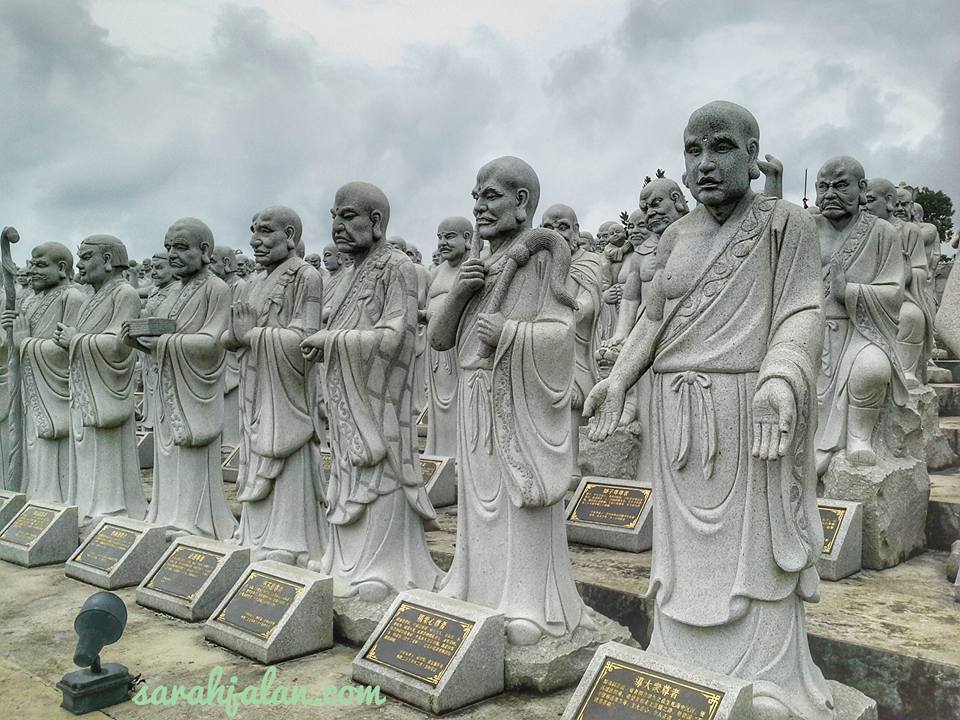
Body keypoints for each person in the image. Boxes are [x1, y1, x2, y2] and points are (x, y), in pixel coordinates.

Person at [585, 102, 833, 719]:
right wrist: (618, 381)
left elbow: (802, 309)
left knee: (754, 552)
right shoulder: (676, 235)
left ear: (753, 154)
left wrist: (779, 379)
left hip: (748, 408)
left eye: (721, 147)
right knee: (681, 557)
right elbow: (653, 318)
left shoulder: (785, 224)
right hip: (676, 415)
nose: (704, 163)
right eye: (693, 150)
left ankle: (768, 678)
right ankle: (680, 662)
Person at [429, 157, 593, 646]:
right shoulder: (476, 266)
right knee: (479, 498)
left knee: (517, 500)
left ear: (522, 203)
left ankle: (527, 601)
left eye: (491, 195)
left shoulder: (542, 257)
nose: (479, 205)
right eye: (475, 195)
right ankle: (474, 583)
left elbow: (564, 332)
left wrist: (511, 333)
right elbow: (439, 339)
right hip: (474, 395)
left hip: (518, 397)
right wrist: (461, 291)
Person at [301, 182, 440, 601]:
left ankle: (384, 566)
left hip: (380, 401)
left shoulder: (397, 266)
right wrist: (327, 340)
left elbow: (397, 333)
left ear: (375, 222)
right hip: (347, 398)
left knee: (379, 477)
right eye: (334, 217)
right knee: (347, 476)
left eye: (347, 216)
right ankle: (344, 561)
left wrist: (333, 340)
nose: (337, 226)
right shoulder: (343, 277)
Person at [122, 218, 236, 540]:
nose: (172, 253)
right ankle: (166, 512)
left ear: (204, 251)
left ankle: (195, 521)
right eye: (169, 246)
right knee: (168, 456)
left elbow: (213, 341)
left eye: (181, 247)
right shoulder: (173, 292)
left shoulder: (217, 289)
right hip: (167, 388)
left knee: (191, 457)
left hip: (194, 391)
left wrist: (165, 343)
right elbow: (163, 334)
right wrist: (140, 341)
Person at [224, 206, 326, 565]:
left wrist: (253, 335)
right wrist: (235, 337)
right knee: (253, 456)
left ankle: (291, 539)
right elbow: (234, 333)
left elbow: (307, 337)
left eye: (266, 232)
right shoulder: (251, 282)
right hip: (254, 386)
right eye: (253, 231)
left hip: (286, 395)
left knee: (286, 463)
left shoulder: (305, 276)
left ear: (291, 237)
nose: (255, 240)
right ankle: (254, 533)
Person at [57, 235, 146, 526]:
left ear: (107, 260)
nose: (79, 265)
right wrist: (71, 341)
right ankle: (87, 507)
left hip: (106, 391)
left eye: (85, 257)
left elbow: (118, 344)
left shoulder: (125, 294)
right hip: (86, 389)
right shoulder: (91, 298)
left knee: (106, 457)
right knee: (87, 454)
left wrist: (76, 340)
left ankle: (110, 509)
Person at [2, 243, 85, 503]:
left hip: (56, 391)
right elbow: (12, 348)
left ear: (61, 268)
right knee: (33, 448)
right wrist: (10, 333)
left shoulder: (72, 297)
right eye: (31, 264)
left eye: (40, 265)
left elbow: (69, 350)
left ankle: (56, 500)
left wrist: (26, 342)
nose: (31, 270)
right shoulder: (30, 300)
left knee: (53, 449)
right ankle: (35, 496)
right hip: (31, 389)